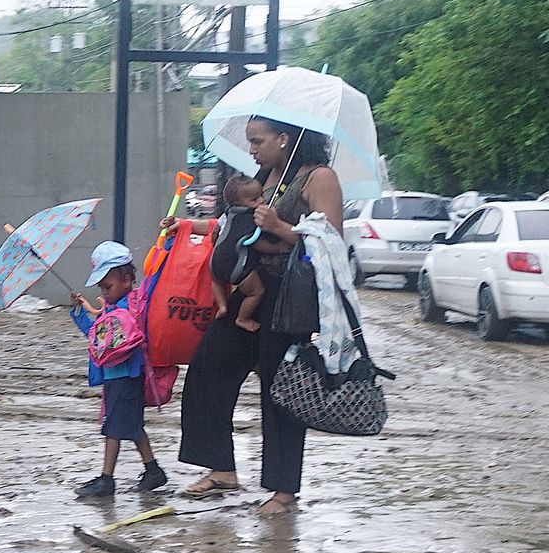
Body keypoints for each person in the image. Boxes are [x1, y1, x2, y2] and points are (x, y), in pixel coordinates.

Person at [178, 117, 344, 516]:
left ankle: (284, 492)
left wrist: (281, 227)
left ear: (284, 139)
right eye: (250, 141)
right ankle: (221, 467)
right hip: (253, 286)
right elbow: (236, 224)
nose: (251, 149)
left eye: (258, 141)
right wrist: (187, 227)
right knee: (208, 366)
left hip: (289, 297)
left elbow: (333, 240)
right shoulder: (267, 176)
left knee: (280, 390)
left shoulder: (319, 178)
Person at [70, 241, 168, 498]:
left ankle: (107, 479)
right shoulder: (111, 311)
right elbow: (96, 339)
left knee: (113, 428)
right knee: (133, 427)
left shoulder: (135, 307)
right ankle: (153, 470)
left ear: (126, 280)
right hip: (116, 378)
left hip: (126, 377)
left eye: (108, 287)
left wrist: (167, 243)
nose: (104, 293)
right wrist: (79, 312)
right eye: (102, 288)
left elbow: (155, 278)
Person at [161, 175, 275, 333]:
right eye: (255, 199)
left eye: (262, 195)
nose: (262, 200)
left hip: (215, 262)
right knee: (256, 292)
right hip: (238, 267)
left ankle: (222, 306)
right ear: (238, 203)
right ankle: (242, 318)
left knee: (216, 281)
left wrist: (216, 245)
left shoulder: (227, 214)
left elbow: (215, 231)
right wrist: (278, 248)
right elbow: (257, 243)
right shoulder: (253, 218)